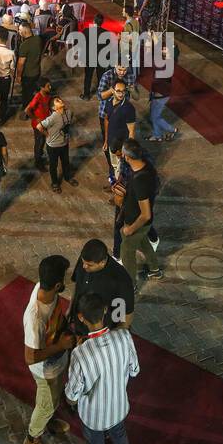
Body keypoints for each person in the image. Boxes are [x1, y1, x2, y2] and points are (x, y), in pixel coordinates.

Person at [65, 291, 140, 444]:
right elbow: (135, 370)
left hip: (93, 417)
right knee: (120, 436)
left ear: (81, 317)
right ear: (106, 310)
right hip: (118, 406)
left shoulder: (80, 354)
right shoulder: (124, 336)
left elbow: (72, 395)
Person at [21, 254, 76, 444]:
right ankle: (32, 439)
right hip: (45, 371)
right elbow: (29, 357)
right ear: (58, 284)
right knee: (45, 405)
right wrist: (60, 346)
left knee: (53, 400)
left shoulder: (45, 290)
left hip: (56, 362)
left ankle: (49, 419)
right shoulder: (34, 317)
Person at [116, 139, 160, 281]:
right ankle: (155, 270)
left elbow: (145, 214)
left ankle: (131, 285)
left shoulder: (139, 180)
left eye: (123, 154)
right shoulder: (147, 166)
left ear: (127, 157)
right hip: (140, 224)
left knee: (127, 254)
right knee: (144, 244)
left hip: (136, 223)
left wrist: (130, 229)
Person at [72, 238, 135, 330]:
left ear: (102, 262)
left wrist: (115, 337)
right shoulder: (86, 260)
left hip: (103, 331)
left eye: (89, 265)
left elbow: (126, 316)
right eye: (83, 262)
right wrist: (70, 309)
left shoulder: (120, 280)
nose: (84, 266)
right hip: (81, 323)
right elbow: (77, 286)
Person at [37, 94, 78, 192]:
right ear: (53, 107)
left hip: (64, 143)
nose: (60, 100)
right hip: (53, 146)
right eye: (57, 100)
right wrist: (47, 134)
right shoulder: (53, 117)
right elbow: (39, 126)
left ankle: (67, 177)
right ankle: (55, 182)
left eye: (59, 99)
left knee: (65, 162)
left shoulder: (69, 112)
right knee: (53, 165)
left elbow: (69, 120)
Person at [103, 79, 137, 186]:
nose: (121, 94)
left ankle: (120, 195)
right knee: (113, 167)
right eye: (118, 91)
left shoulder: (129, 108)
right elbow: (107, 120)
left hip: (121, 146)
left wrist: (126, 150)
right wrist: (105, 140)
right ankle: (114, 185)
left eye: (123, 91)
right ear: (112, 90)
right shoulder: (108, 103)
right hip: (110, 143)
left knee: (122, 172)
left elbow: (131, 132)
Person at [24, 79, 54, 172]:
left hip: (45, 123)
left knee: (42, 142)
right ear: (42, 87)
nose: (50, 87)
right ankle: (38, 162)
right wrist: (36, 119)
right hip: (38, 125)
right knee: (39, 143)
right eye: (48, 86)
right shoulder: (37, 97)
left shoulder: (48, 95)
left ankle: (39, 159)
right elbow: (27, 110)